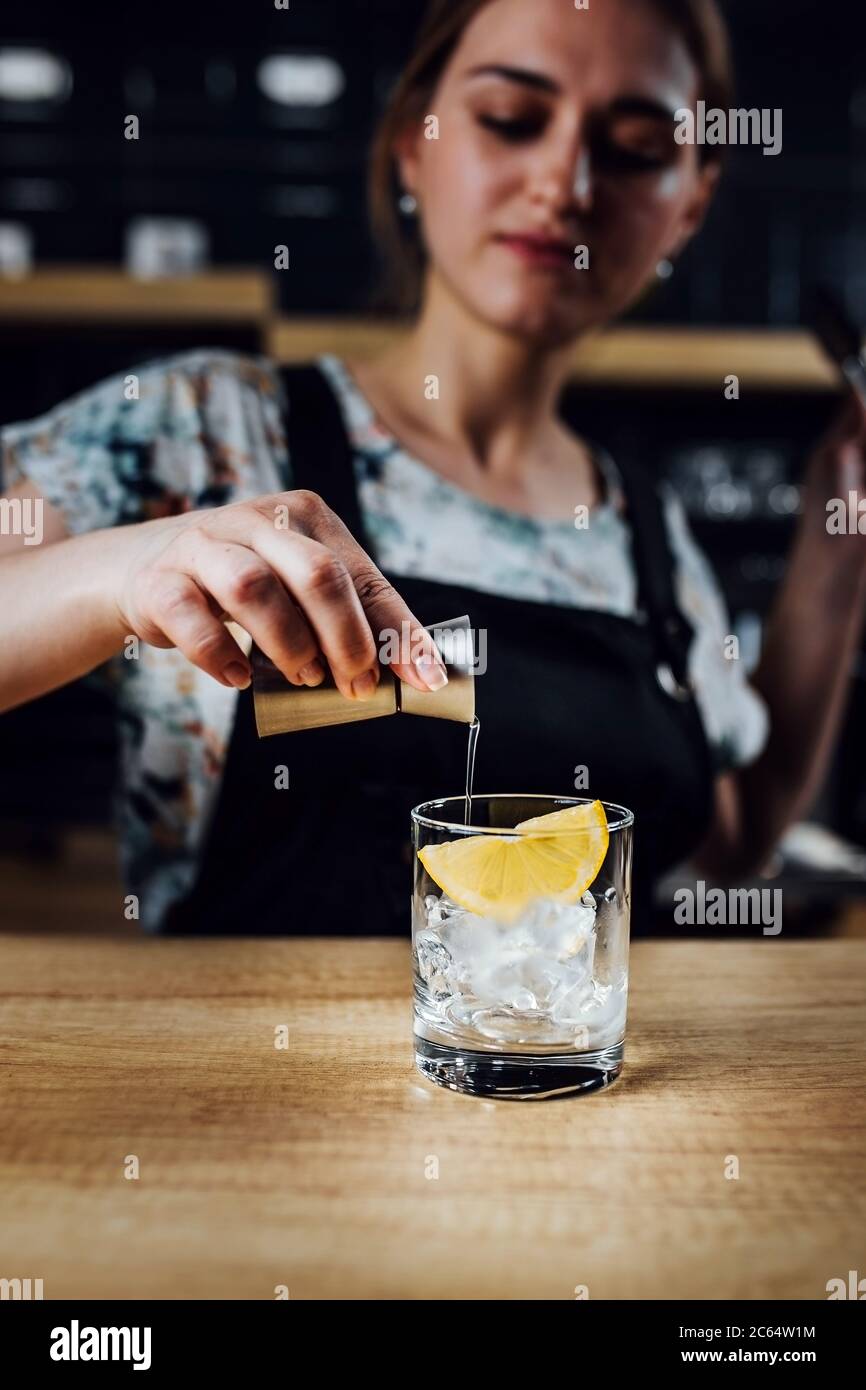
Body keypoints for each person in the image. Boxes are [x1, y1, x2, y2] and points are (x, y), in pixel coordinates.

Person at [1, 0, 864, 935]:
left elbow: (727, 839)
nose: (565, 183)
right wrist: (122, 572)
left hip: (578, 1072)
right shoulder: (204, 428)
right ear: (414, 142)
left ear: (690, 201)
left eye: (635, 146)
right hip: (251, 1080)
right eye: (510, 120)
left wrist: (840, 538)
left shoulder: (653, 541)